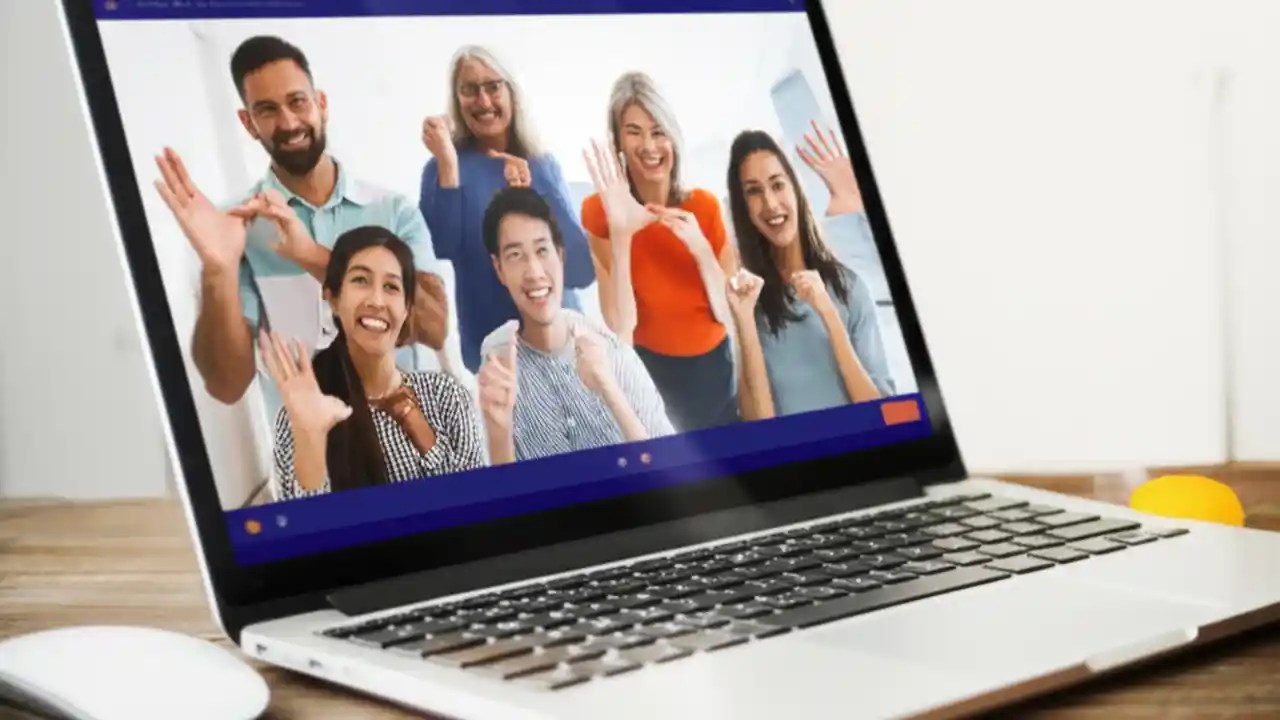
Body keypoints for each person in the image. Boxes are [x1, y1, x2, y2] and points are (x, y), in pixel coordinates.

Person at [153, 35, 448, 416]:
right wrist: (218, 270)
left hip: (407, 451)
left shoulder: (394, 211)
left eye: (297, 102)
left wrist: (314, 257)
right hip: (312, 465)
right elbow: (227, 385)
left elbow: (434, 328)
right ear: (248, 123)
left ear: (321, 104)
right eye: (267, 110)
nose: (289, 123)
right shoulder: (233, 229)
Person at [261, 226, 484, 499]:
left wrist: (418, 427)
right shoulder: (300, 414)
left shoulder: (445, 396)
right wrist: (311, 437)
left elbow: (477, 504)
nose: (377, 300)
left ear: (406, 309)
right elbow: (304, 536)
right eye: (361, 280)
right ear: (332, 298)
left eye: (391, 286)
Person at [419, 45, 594, 374]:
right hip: (494, 356)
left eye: (493, 86)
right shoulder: (440, 168)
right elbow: (443, 246)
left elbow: (581, 270)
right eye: (469, 90)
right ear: (456, 100)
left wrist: (532, 194)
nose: (483, 101)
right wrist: (448, 165)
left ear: (512, 92)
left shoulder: (542, 163)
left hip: (565, 348)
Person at [580, 72, 738, 433]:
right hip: (651, 375)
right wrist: (621, 234)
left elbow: (728, 313)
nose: (649, 146)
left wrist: (701, 251)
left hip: (715, 373)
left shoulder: (705, 207)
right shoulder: (598, 212)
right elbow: (620, 326)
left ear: (673, 138)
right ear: (617, 140)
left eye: (658, 131)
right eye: (634, 131)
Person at [475, 188, 673, 464]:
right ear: (499, 269)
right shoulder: (497, 376)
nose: (534, 272)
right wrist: (499, 431)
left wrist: (608, 388)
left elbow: (669, 467)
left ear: (560, 254)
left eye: (542, 250)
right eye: (516, 255)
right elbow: (506, 502)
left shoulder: (611, 351)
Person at [724, 126, 895, 421]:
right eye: (754, 191)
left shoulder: (849, 288)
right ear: (744, 209)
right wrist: (744, 321)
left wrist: (828, 313)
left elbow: (882, 415)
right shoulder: (749, 305)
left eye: (777, 184)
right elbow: (761, 430)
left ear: (795, 188)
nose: (770, 204)